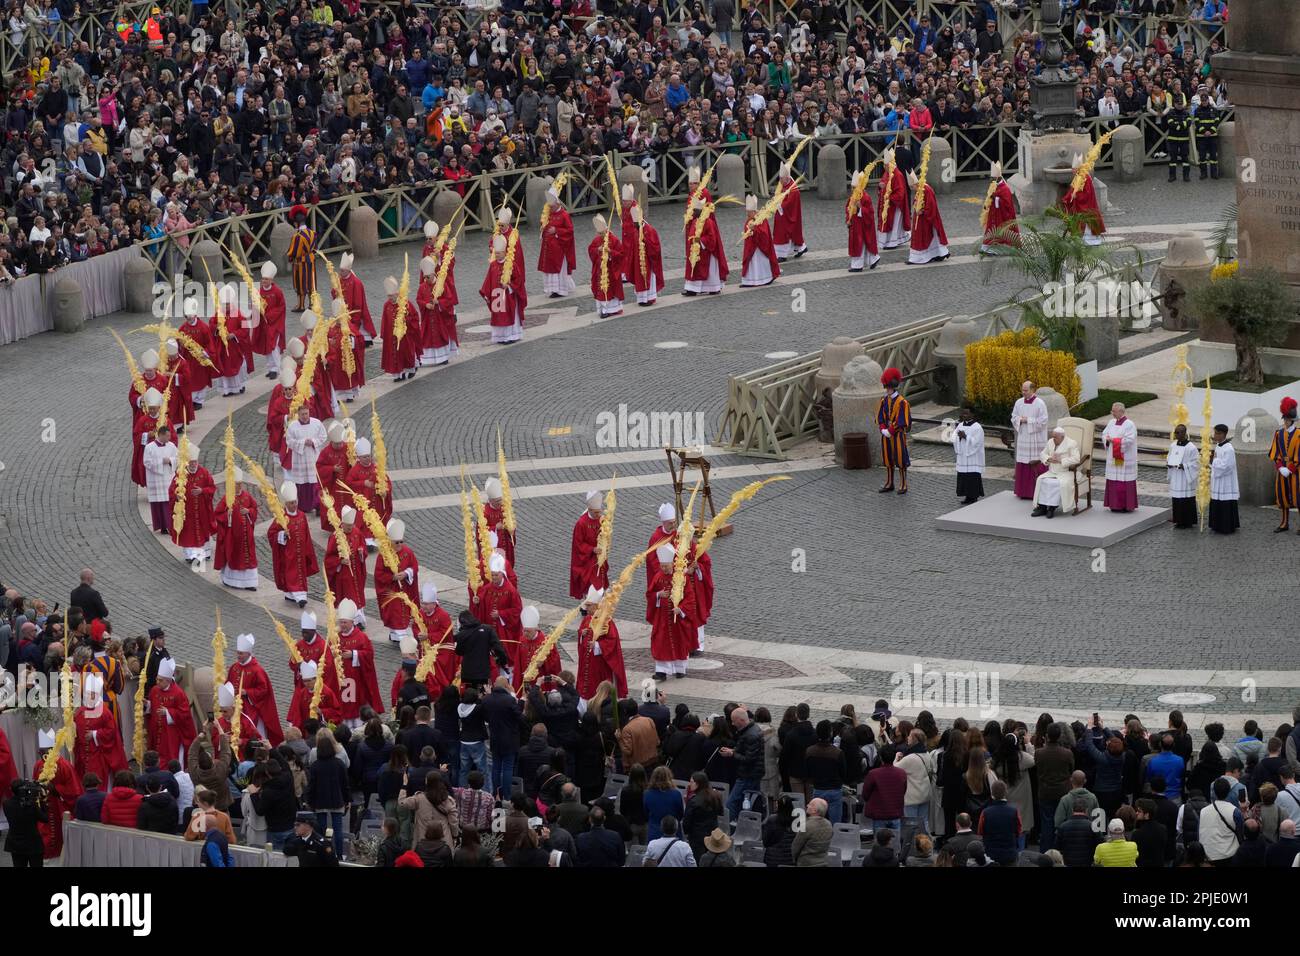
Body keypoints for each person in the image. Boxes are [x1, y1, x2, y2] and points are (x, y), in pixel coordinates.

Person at [646, 543, 696, 680]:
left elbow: (690, 597)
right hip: (662, 618)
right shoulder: (658, 576)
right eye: (662, 566)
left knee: (679, 641)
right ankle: (661, 671)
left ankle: (680, 669)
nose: (664, 569)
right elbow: (649, 594)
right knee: (661, 642)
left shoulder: (681, 578)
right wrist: (658, 595)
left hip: (677, 618)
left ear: (672, 564)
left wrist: (681, 609)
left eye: (666, 567)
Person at [267, 483, 319, 608]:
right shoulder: (281, 518)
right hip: (288, 553)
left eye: (295, 502)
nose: (294, 505)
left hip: (301, 552)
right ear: (286, 504)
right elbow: (271, 533)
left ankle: (297, 595)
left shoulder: (301, 515)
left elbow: (306, 533)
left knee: (300, 573)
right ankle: (298, 597)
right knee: (291, 574)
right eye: (291, 503)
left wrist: (308, 550)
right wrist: (282, 534)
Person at [147, 657, 196, 766]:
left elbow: (185, 714)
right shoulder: (155, 690)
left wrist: (168, 712)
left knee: (170, 758)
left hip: (172, 734)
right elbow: (153, 707)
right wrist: (148, 704)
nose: (157, 682)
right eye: (157, 679)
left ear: (168, 680)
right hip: (158, 732)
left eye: (160, 680)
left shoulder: (178, 693)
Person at [1031, 426, 1082, 518]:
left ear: (1062, 437)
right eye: (1053, 436)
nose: (1053, 439)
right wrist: (1049, 458)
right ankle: (1042, 508)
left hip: (1066, 472)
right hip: (1052, 471)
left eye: (1055, 437)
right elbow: (1042, 453)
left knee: (1057, 483)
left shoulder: (1071, 443)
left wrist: (1061, 460)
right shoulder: (1050, 441)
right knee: (1041, 480)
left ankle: (1052, 508)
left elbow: (1076, 459)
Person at [682, 197, 728, 296]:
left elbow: (712, 239)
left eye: (695, 210)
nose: (693, 212)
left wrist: (701, 241)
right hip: (696, 251)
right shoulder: (695, 221)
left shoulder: (708, 222)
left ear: (701, 211)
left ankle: (713, 287)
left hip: (707, 251)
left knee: (710, 270)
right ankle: (692, 289)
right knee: (694, 267)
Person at [1011, 382, 1049, 499]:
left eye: (1026, 390)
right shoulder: (1018, 402)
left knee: (1034, 462)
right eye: (1022, 390)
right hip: (1023, 436)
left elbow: (1043, 420)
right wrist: (1019, 420)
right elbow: (1014, 417)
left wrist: (1028, 420)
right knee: (1023, 462)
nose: (1023, 392)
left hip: (1036, 438)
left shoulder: (1040, 403)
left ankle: (1035, 491)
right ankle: (1022, 491)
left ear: (1033, 390)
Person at [876, 367, 911, 493]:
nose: (887, 389)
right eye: (887, 387)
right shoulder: (883, 400)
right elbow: (880, 417)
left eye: (889, 387)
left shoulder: (903, 402)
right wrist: (882, 429)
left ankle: (903, 483)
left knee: (901, 459)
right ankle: (890, 482)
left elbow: (902, 420)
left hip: (897, 435)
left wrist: (890, 430)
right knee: (888, 459)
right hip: (886, 435)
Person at [379, 276, 420, 382]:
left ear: (397, 294)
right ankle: (399, 375)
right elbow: (385, 320)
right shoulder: (386, 305)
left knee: (405, 353)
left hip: (404, 335)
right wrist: (384, 333)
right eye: (388, 296)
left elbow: (414, 316)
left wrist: (406, 321)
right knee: (394, 355)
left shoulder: (405, 303)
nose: (390, 298)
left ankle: (411, 369)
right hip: (391, 335)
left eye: (392, 296)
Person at [537, 189, 576, 298]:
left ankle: (560, 290)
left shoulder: (564, 215)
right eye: (549, 206)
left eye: (552, 206)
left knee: (558, 268)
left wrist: (557, 230)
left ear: (557, 203)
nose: (551, 208)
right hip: (548, 247)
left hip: (559, 248)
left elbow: (570, 230)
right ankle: (552, 289)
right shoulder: (548, 213)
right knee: (549, 268)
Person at [906, 166, 948, 265]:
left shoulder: (927, 190)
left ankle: (928, 256)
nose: (912, 189)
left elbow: (931, 205)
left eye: (912, 187)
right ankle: (938, 253)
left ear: (916, 183)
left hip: (926, 217)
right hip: (921, 217)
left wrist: (923, 212)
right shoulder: (919, 190)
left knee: (928, 236)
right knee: (929, 237)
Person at [1060, 155, 1106, 245]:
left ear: (1078, 168)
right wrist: (1067, 198)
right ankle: (1081, 238)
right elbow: (1072, 190)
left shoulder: (1085, 178)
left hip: (1087, 206)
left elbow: (1087, 193)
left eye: (1073, 169)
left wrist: (1077, 196)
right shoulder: (1077, 177)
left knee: (1087, 222)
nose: (1072, 171)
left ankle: (1091, 239)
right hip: (1078, 207)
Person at [1269, 398, 1300, 532]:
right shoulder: (1278, 433)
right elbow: (1275, 453)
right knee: (1283, 497)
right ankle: (1284, 523)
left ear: (1292, 420)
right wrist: (1280, 467)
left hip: (1296, 471)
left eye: (1287, 419)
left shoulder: (1299, 435)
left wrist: (1291, 469)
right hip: (1282, 471)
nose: (1285, 421)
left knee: (1298, 497)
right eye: (1284, 419)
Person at [1101, 404, 1139, 512]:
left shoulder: (1129, 424)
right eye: (1112, 411)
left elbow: (1129, 440)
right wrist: (1107, 439)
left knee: (1123, 482)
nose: (1112, 413)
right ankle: (1114, 505)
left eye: (1114, 411)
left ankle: (1124, 506)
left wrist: (1116, 441)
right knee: (1114, 480)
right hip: (1114, 456)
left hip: (1124, 457)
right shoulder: (1111, 422)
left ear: (1121, 411)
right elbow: (1104, 434)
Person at [1199, 777, 1243, 866]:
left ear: (1214, 791)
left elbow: (1199, 832)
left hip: (1208, 854)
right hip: (1229, 854)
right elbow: (1240, 834)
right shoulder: (1234, 811)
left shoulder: (1203, 811)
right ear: (1229, 791)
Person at [625, 205, 664, 306]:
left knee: (648, 278)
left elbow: (655, 248)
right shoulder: (635, 230)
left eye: (635, 223)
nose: (633, 225)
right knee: (639, 279)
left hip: (648, 261)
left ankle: (649, 298)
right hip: (638, 262)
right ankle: (642, 299)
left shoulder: (649, 230)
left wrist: (645, 241)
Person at [739, 194, 779, 287]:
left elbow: (764, 233)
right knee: (752, 263)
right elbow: (746, 229)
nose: (747, 214)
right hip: (751, 246)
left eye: (749, 212)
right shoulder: (750, 218)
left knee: (760, 263)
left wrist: (754, 229)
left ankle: (765, 278)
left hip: (759, 248)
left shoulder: (761, 218)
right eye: (747, 212)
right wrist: (749, 231)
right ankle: (749, 281)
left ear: (754, 211)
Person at [980, 161, 1019, 253]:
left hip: (1002, 216)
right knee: (991, 230)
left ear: (998, 177)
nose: (992, 179)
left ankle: (1000, 248)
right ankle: (987, 247)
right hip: (993, 213)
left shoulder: (1005, 188)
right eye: (991, 177)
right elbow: (989, 197)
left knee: (1001, 231)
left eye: (993, 178)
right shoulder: (994, 186)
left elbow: (1007, 204)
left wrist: (996, 198)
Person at [876, 147, 910, 250]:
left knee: (894, 224)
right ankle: (886, 241)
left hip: (894, 205)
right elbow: (883, 184)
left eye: (885, 165)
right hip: (886, 204)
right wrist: (880, 187)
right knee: (887, 222)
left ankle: (892, 242)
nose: (884, 167)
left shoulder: (898, 175)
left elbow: (900, 193)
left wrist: (888, 197)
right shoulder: (887, 173)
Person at [846, 169, 880, 271]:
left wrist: (860, 208)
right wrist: (848, 219)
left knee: (860, 244)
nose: (852, 189)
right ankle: (873, 259)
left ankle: (857, 265)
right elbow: (847, 209)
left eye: (854, 187)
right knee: (863, 244)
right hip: (855, 225)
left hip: (862, 225)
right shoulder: (853, 197)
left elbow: (870, 213)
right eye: (851, 187)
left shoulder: (865, 198)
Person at [771, 163, 807, 260]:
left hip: (788, 215)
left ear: (787, 177)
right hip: (782, 214)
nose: (780, 181)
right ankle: (801, 248)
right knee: (790, 233)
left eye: (781, 179)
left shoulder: (793, 189)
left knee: (784, 233)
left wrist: (778, 205)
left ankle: (782, 254)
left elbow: (789, 204)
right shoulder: (784, 185)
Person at [1167, 423, 1200, 528]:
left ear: (1184, 433)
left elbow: (1196, 463)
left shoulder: (1191, 448)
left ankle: (1187, 521)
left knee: (1185, 499)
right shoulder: (1173, 445)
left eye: (1178, 432)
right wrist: (1169, 462)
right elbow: (1169, 457)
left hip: (1185, 478)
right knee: (1176, 498)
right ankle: (1178, 519)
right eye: (1175, 432)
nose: (1176, 434)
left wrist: (1184, 466)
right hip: (1176, 476)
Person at [1209, 423, 1240, 534]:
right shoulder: (1218, 446)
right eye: (1215, 433)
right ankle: (1217, 525)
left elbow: (1227, 466)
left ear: (1223, 434)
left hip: (1226, 482)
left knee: (1225, 503)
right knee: (1217, 501)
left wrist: (1214, 461)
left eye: (1217, 433)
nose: (1215, 435)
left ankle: (1226, 526)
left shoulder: (1229, 449)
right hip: (1218, 480)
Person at [950, 409, 985, 504]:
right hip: (963, 456)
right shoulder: (960, 425)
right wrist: (958, 437)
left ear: (972, 414)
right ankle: (967, 496)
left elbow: (978, 443)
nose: (964, 415)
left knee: (972, 477)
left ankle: (974, 496)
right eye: (963, 413)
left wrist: (966, 437)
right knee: (964, 477)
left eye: (967, 413)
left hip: (973, 457)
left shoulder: (977, 427)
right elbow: (954, 437)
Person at [286, 205, 317, 312]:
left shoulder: (298, 236)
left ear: (296, 223)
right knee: (311, 282)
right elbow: (315, 248)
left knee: (300, 284)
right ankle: (312, 304)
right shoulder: (312, 233)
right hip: (311, 260)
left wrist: (289, 257)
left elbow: (294, 252)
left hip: (300, 262)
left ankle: (301, 305)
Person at [792, 796, 833, 866]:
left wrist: (794, 860)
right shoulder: (829, 824)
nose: (807, 805)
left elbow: (796, 847)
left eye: (810, 804)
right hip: (823, 862)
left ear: (814, 811)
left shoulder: (806, 825)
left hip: (806, 863)